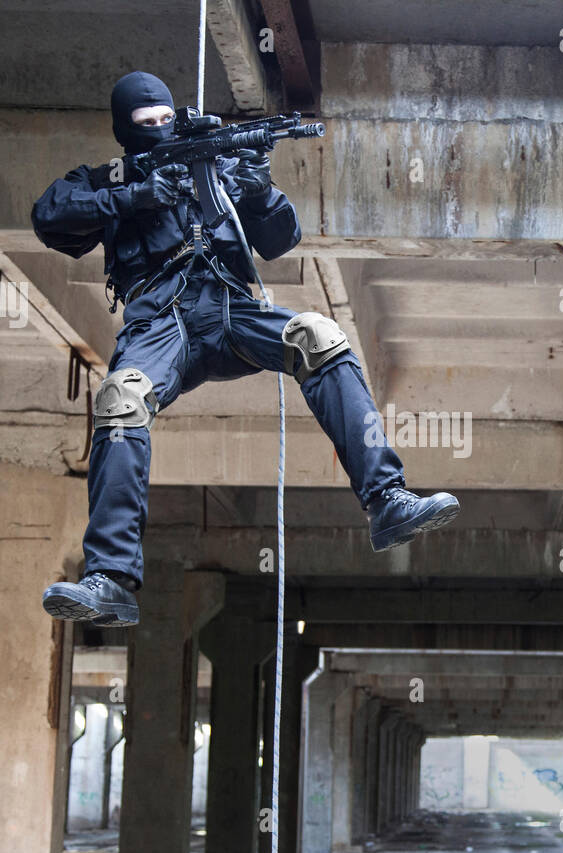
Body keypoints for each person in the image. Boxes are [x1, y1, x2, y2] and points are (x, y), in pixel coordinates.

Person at [34, 71, 459, 627]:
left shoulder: (222, 169)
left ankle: (387, 501)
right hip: (159, 322)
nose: (161, 130)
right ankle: (110, 579)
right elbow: (49, 215)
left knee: (319, 336)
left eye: (168, 120)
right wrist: (136, 195)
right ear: (124, 130)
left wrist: (257, 187)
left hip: (232, 310)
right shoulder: (105, 179)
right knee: (120, 398)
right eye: (147, 124)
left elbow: (282, 239)